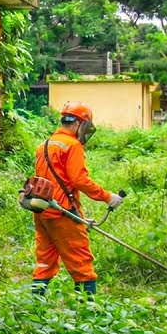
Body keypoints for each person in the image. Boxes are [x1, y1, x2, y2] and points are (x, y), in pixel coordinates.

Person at [31, 102, 123, 296]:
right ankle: (87, 313)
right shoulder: (72, 145)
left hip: (41, 209)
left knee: (44, 261)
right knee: (81, 262)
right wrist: (107, 196)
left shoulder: (45, 144)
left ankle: (34, 308)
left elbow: (52, 181)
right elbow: (78, 179)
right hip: (62, 212)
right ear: (79, 123)